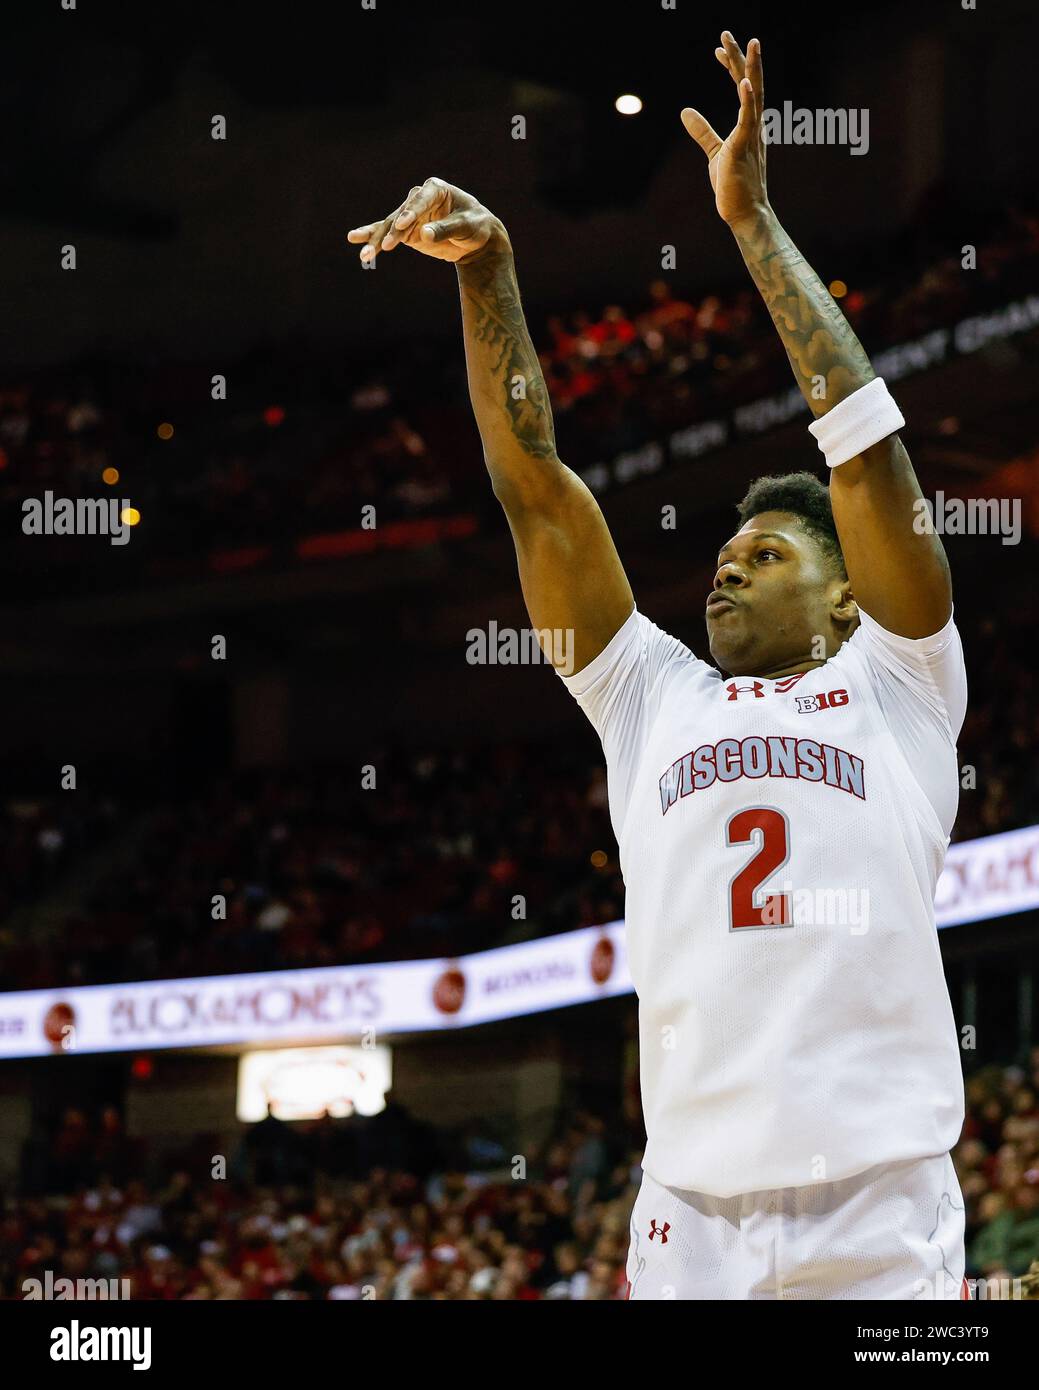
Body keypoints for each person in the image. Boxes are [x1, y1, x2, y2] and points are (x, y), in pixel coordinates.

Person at [348, 30, 968, 1301]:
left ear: (845, 592)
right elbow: (534, 491)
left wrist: (746, 221)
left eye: (767, 554)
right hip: (689, 1218)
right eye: (724, 552)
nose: (726, 569)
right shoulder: (650, 695)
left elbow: (866, 457)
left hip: (882, 1209)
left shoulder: (901, 684)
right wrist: (489, 274)